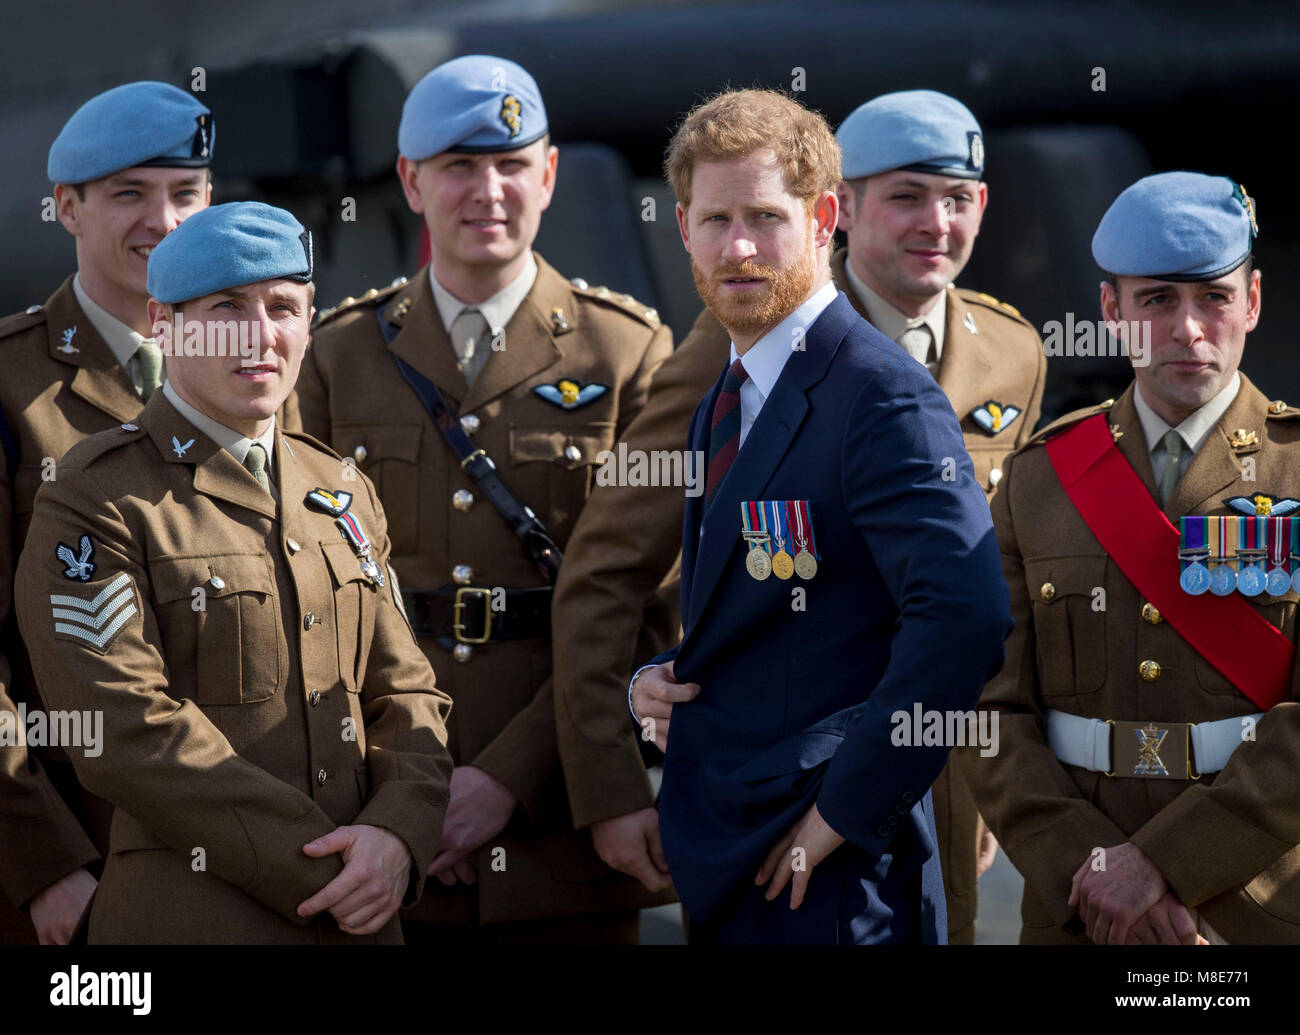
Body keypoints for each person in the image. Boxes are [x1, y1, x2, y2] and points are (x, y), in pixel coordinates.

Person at [563, 91, 1043, 942]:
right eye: (715, 220)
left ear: (825, 217)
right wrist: (650, 683)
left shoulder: (882, 392)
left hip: (838, 870)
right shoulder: (729, 390)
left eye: (764, 217)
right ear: (681, 230)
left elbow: (968, 615)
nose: (738, 246)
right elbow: (776, 606)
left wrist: (844, 814)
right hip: (744, 856)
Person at [294, 54, 675, 943]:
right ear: (411, 181)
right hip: (375, 826)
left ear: (548, 175)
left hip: (559, 821)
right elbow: (305, 602)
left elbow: (650, 601)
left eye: (511, 165)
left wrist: (506, 777)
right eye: (459, 166)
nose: (488, 190)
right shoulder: (335, 357)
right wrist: (416, 793)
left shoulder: (624, 355)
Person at [14, 201, 453, 944]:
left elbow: (406, 689)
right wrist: (325, 872)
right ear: (163, 320)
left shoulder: (340, 489)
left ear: (310, 322)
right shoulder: (95, 498)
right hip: (193, 920)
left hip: (365, 914)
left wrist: (398, 836)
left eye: (284, 306)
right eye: (226, 308)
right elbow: (124, 733)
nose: (260, 334)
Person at [958, 172, 1300, 944]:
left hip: (1255, 906)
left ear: (1252, 301)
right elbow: (988, 712)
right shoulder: (1040, 480)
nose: (1188, 329)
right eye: (1156, 301)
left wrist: (1166, 866)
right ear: (1112, 311)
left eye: (1213, 297)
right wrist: (1094, 874)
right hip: (1080, 908)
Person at [0, 80, 213, 944]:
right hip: (81, 868)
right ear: (68, 208)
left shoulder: (257, 368)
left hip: (255, 859)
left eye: (187, 193)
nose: (163, 221)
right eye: (130, 192)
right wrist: (44, 863)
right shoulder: (11, 390)